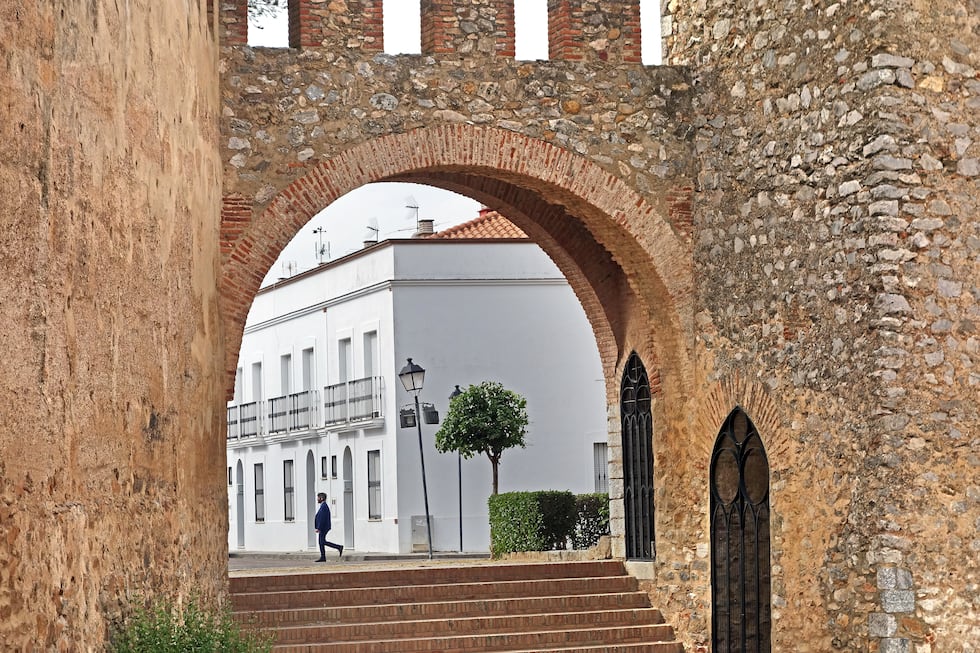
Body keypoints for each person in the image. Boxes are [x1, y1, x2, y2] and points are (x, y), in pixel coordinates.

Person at [314, 492, 343, 561]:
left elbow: (322, 518)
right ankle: (324, 556)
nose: (317, 499)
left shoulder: (324, 507)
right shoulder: (323, 506)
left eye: (318, 498)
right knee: (322, 542)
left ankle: (338, 547)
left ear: (321, 498)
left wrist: (319, 527)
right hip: (323, 527)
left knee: (322, 542)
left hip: (323, 527)